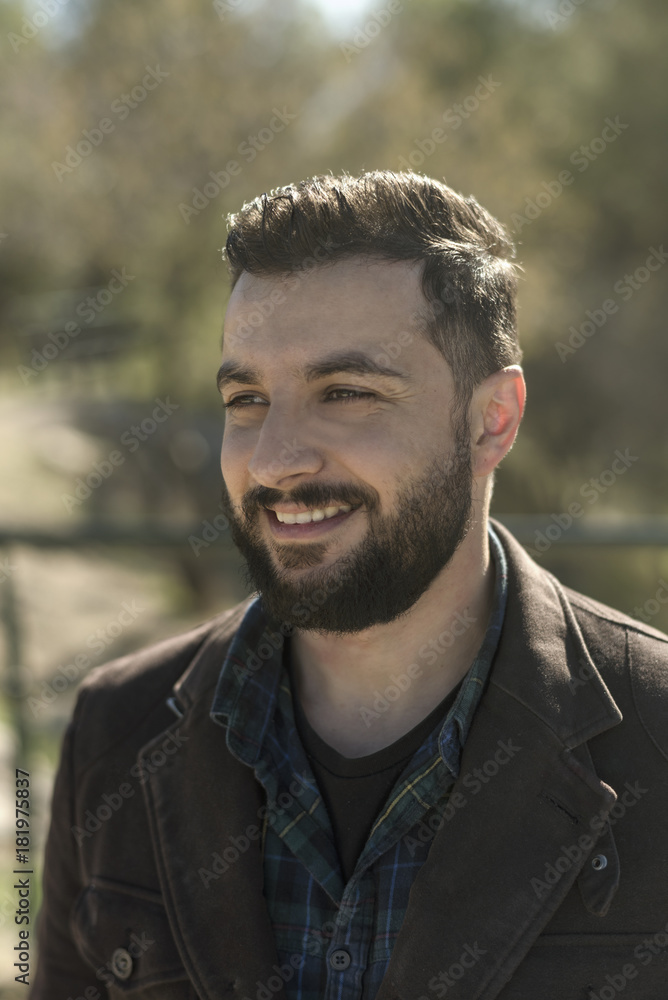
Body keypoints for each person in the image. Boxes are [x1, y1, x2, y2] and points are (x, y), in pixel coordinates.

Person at [30, 171, 668, 1000]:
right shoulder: (116, 732)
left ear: (493, 420)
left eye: (345, 392)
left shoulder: (654, 734)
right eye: (246, 398)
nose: (273, 460)